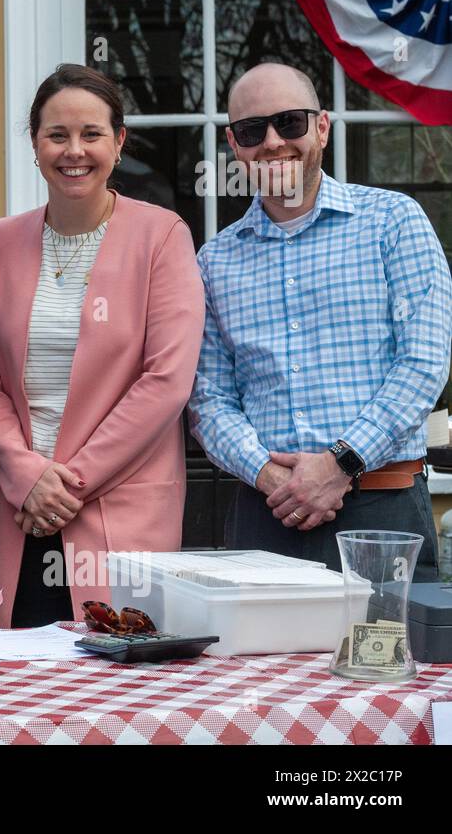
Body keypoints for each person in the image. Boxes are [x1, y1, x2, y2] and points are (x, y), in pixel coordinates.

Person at [188, 62, 452, 577]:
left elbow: (423, 364)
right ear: (234, 145)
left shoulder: (393, 222)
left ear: (322, 127)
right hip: (264, 515)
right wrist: (268, 476)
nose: (272, 142)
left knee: (385, 659)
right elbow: (207, 398)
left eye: (289, 122)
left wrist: (340, 465)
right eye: (251, 130)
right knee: (254, 663)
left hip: (383, 510)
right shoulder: (214, 261)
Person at [0, 64, 205, 627]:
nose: (74, 151)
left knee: (120, 688)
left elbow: (166, 380)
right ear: (34, 144)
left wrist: (66, 484)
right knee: (20, 685)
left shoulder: (161, 236)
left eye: (91, 134)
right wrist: (27, 476)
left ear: (119, 142)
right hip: (24, 511)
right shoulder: (1, 241)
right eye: (56, 135)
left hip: (119, 509)